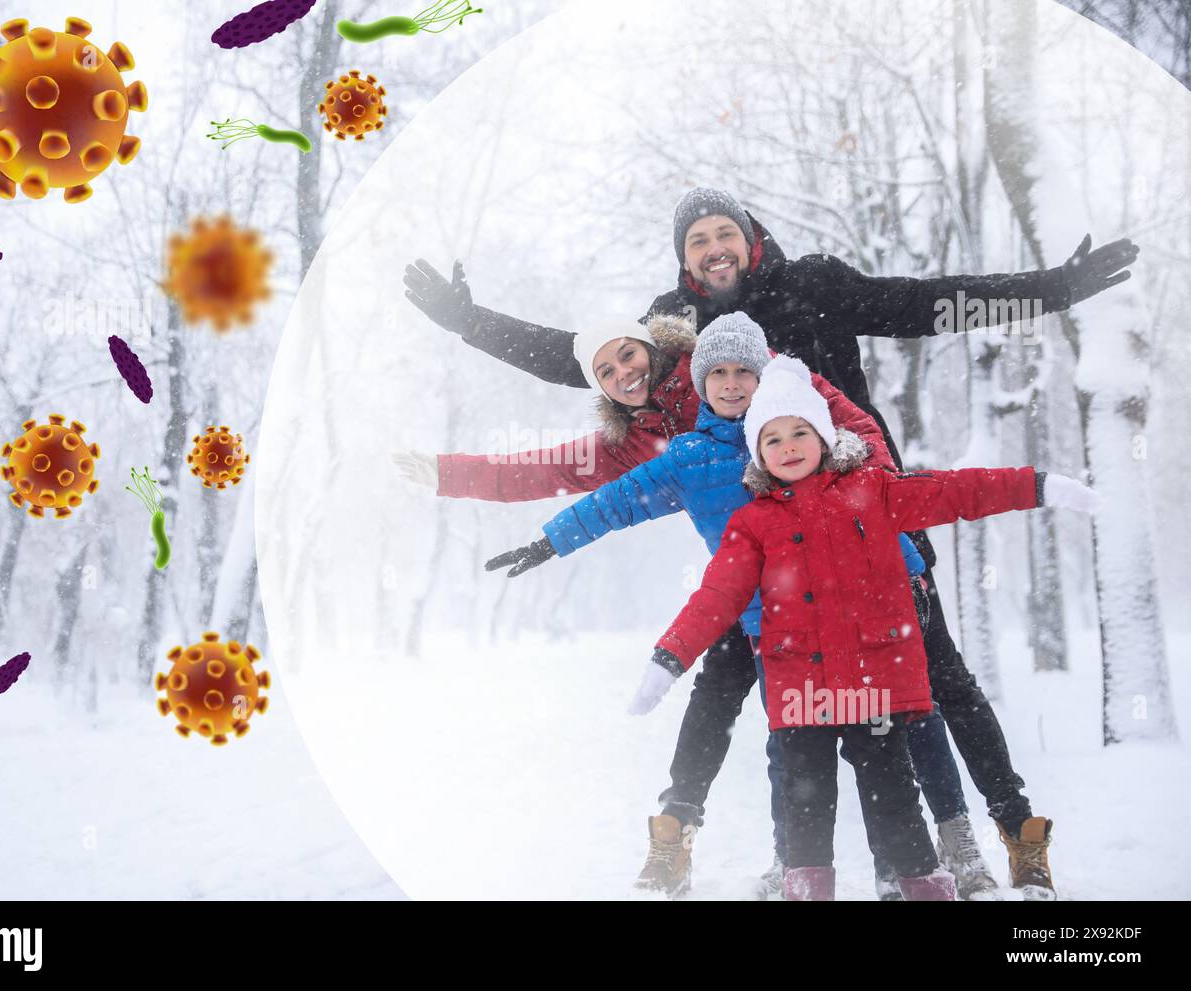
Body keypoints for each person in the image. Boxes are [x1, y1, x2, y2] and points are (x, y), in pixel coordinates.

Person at [402, 187, 1139, 897]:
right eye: (697, 241)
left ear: (751, 238)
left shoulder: (815, 285)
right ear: (684, 262)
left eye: (724, 232)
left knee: (939, 683)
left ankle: (1014, 832)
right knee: (747, 699)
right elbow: (584, 358)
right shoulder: (674, 326)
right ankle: (767, 852)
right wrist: (471, 323)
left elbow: (926, 303)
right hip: (764, 562)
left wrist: (1054, 288)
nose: (714, 249)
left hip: (867, 525)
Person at [482, 314, 988, 899]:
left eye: (742, 372)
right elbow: (615, 502)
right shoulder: (690, 458)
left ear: (762, 375)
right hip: (772, 631)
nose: (729, 384)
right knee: (794, 753)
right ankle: (795, 867)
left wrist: (911, 568)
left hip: (857, 619)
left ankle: (907, 868)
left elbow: (862, 500)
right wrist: (549, 540)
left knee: (890, 742)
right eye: (715, 374)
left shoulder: (792, 431)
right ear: (698, 384)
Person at [635, 354, 1100, 900]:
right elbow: (715, 598)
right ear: (758, 453)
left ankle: (929, 890)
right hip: (800, 697)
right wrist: (669, 656)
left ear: (825, 436)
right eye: (772, 439)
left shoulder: (873, 492)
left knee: (896, 805)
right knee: (804, 809)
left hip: (874, 689)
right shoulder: (753, 524)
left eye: (800, 432)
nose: (788, 447)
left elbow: (959, 492)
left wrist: (1039, 486)